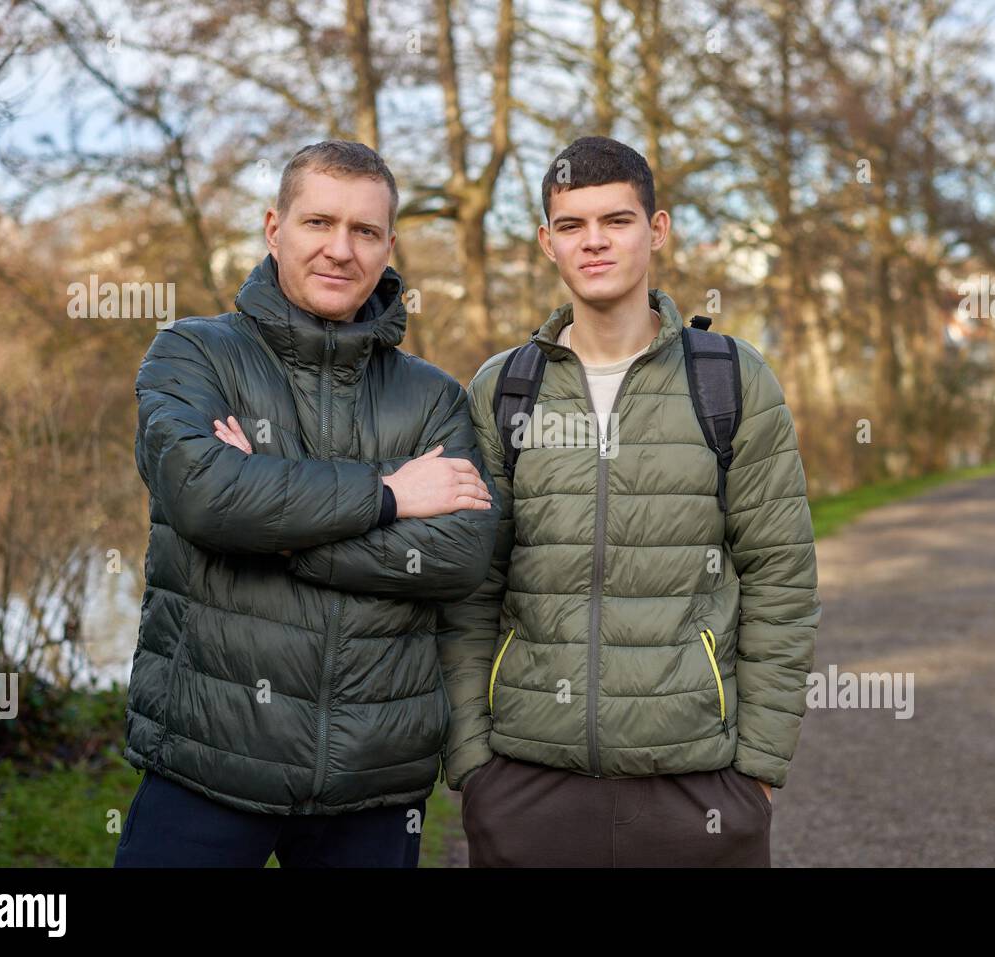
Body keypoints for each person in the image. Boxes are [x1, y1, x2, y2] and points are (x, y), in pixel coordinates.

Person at [437, 136, 821, 867]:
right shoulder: (504, 388)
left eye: (615, 220)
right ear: (547, 242)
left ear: (658, 229)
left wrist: (759, 772)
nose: (595, 242)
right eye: (573, 225)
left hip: (697, 788)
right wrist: (474, 764)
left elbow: (782, 578)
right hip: (527, 786)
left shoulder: (731, 382)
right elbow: (471, 583)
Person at [115, 141, 498, 868]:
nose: (340, 249)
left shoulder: (432, 396)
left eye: (364, 231)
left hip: (374, 784)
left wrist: (274, 528)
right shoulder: (193, 355)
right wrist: (390, 495)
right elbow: (206, 499)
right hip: (207, 760)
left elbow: (458, 555)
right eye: (319, 222)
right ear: (273, 228)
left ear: (389, 247)